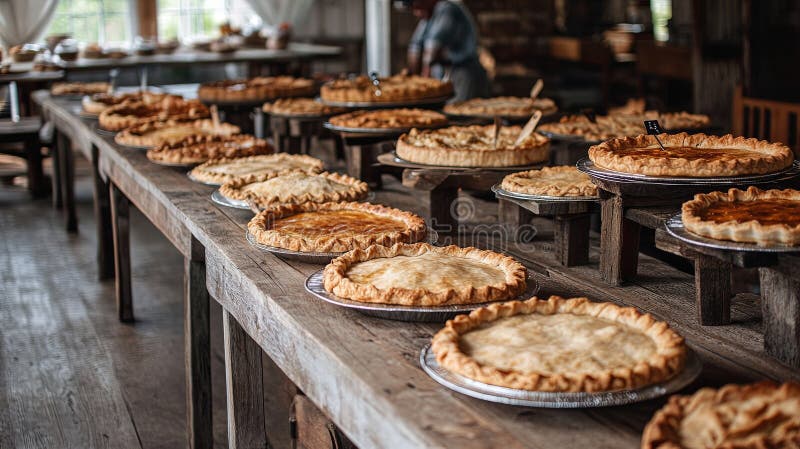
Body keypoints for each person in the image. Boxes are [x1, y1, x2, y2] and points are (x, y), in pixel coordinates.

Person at [404, 0, 490, 102]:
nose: (416, 13)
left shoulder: (447, 8)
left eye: (417, 5)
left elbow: (433, 47)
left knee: (460, 112)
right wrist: (413, 79)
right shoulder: (428, 16)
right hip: (448, 75)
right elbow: (415, 46)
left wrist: (423, 80)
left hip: (464, 74)